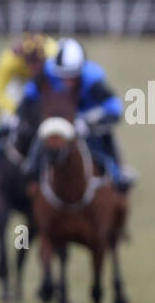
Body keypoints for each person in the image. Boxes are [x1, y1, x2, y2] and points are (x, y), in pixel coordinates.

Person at [19, 38, 134, 192]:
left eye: (72, 76)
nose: (68, 81)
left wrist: (90, 122)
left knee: (107, 138)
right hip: (53, 121)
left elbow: (115, 108)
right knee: (36, 139)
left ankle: (118, 174)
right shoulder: (45, 75)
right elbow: (26, 101)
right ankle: (31, 170)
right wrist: (41, 120)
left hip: (85, 124)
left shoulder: (93, 80)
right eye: (63, 75)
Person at [0, 32, 56, 170]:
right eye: (30, 63)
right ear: (23, 59)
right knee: (7, 123)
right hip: (18, 84)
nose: (34, 68)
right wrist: (15, 109)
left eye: (38, 63)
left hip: (44, 82)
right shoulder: (10, 60)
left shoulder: (52, 53)